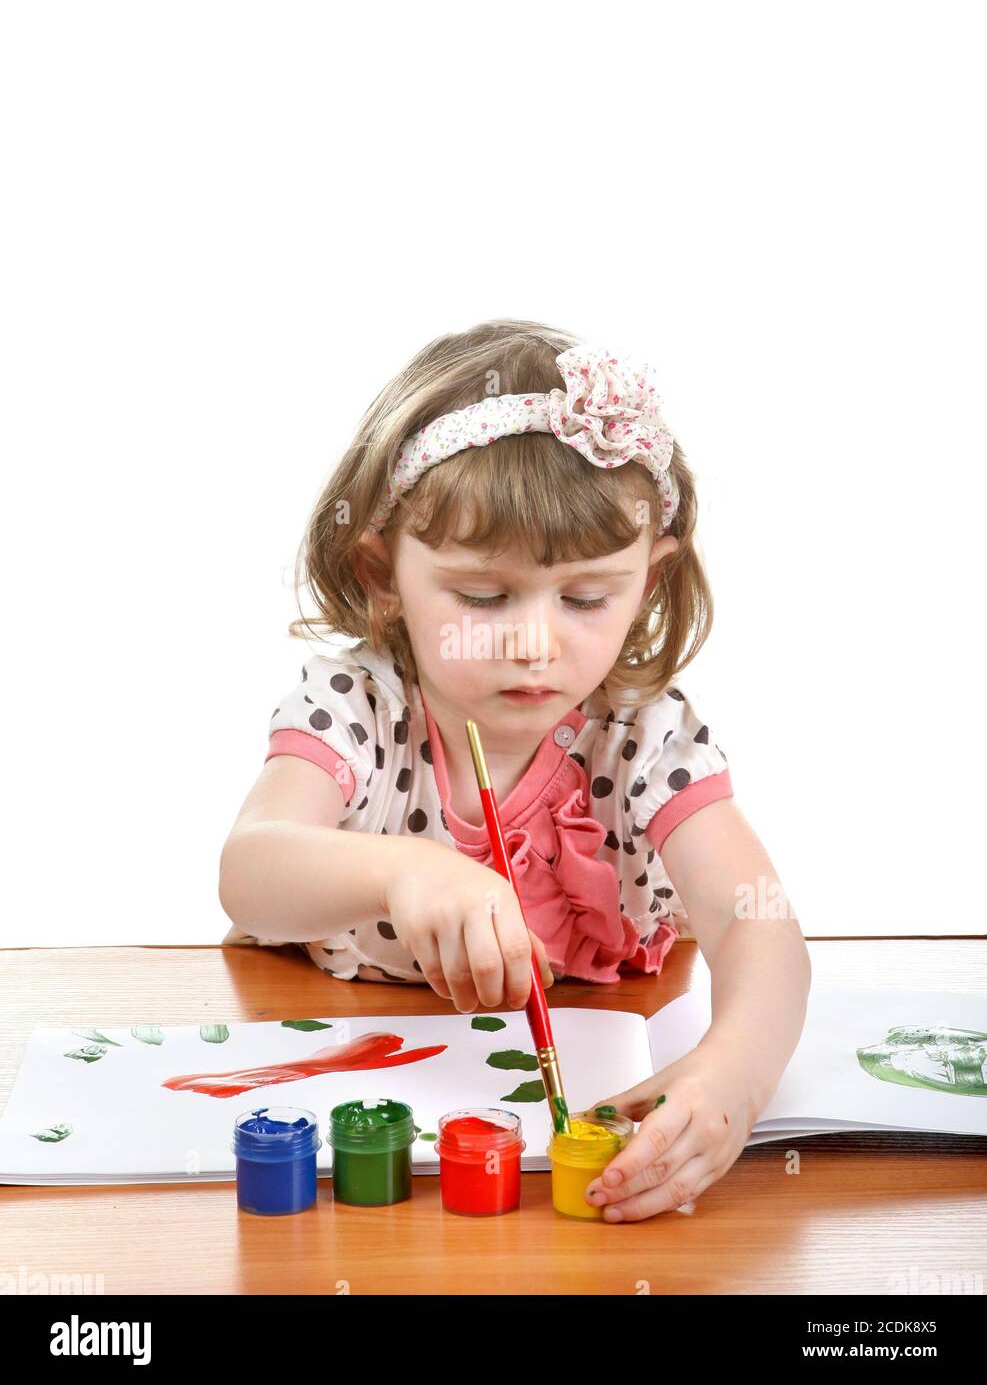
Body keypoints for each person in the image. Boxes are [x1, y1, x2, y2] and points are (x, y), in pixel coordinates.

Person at [219, 317, 811, 1219]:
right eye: (483, 596)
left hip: (569, 1131)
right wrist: (410, 869)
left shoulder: (640, 733)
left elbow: (756, 922)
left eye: (586, 597)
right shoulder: (357, 707)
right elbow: (250, 873)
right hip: (367, 1108)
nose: (535, 643)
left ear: (647, 581)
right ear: (381, 572)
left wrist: (731, 1078)